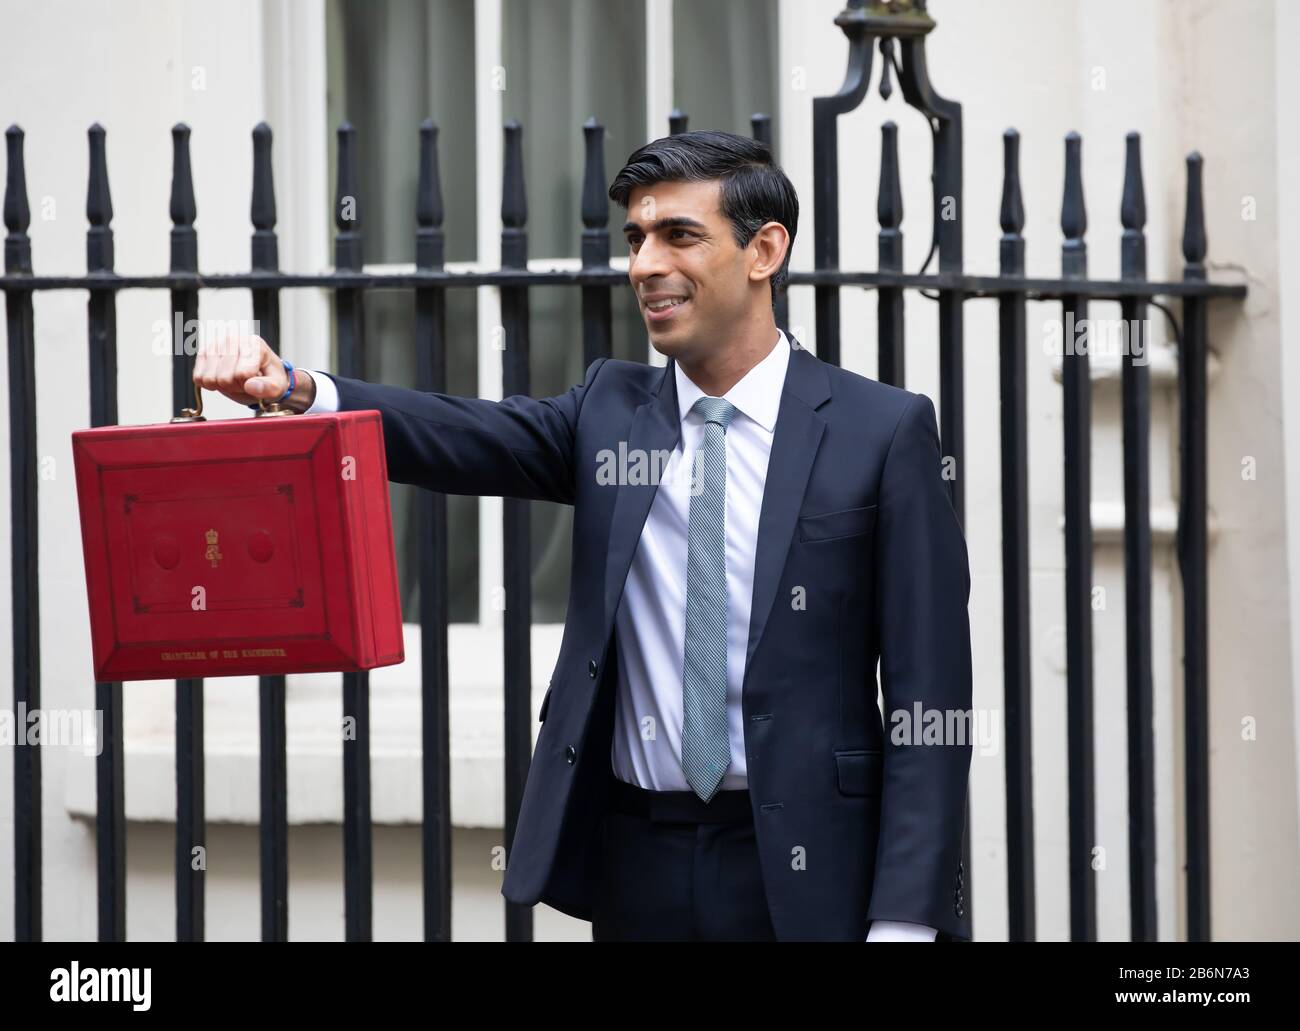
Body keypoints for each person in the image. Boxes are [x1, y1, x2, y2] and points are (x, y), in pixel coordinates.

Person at [195, 129, 972, 942]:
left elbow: (930, 697)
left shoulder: (880, 431)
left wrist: (905, 922)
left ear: (763, 251)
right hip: (637, 862)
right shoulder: (609, 412)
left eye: (679, 235)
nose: (644, 264)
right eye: (636, 239)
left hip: (811, 871)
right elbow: (462, 434)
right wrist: (297, 387)